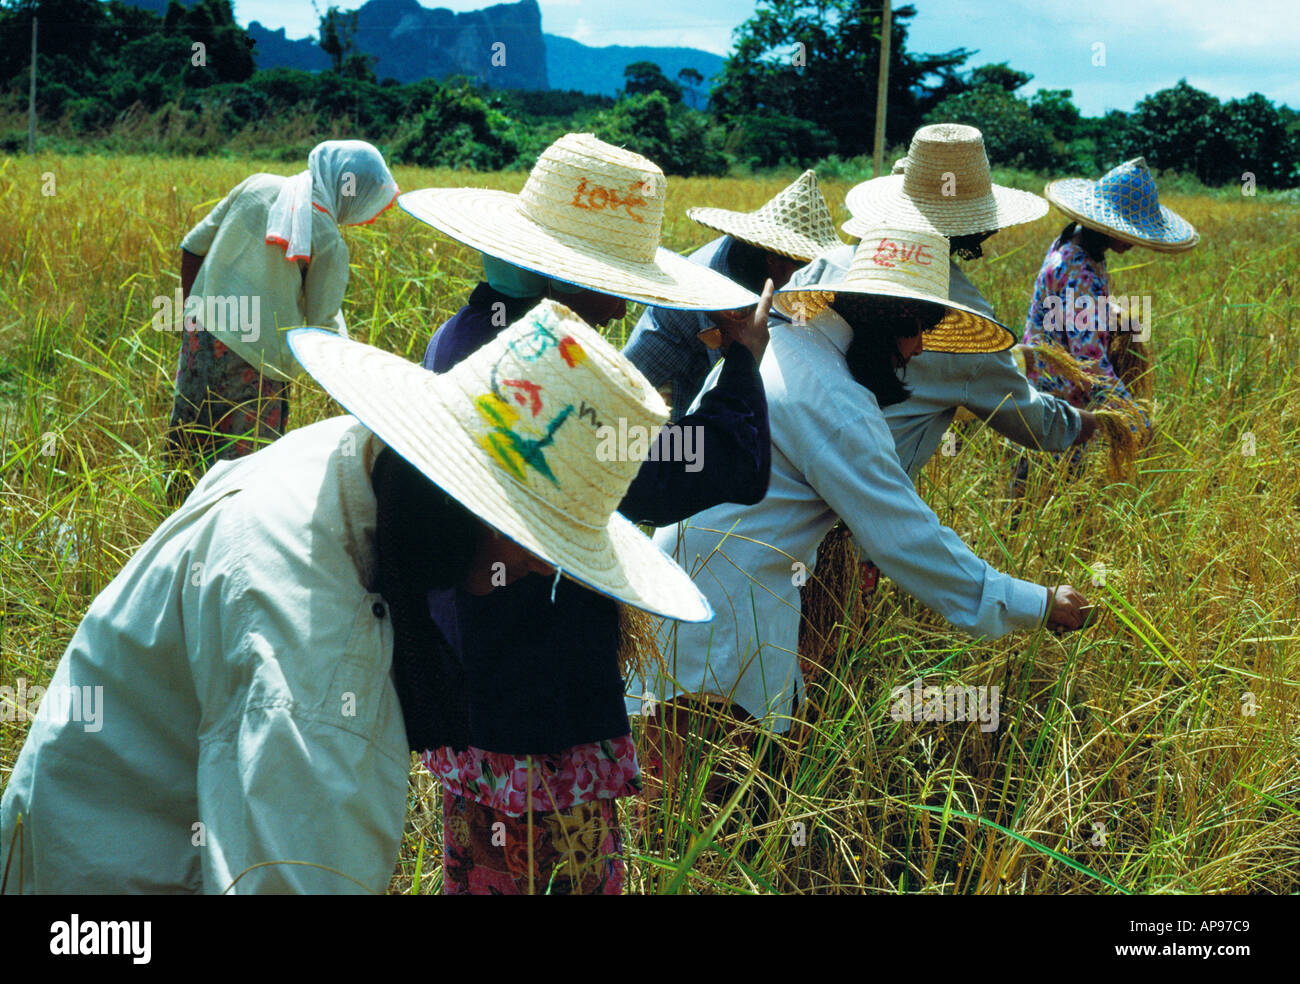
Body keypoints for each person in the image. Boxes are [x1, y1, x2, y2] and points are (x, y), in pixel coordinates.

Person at [0, 303, 712, 895]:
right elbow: (295, 879)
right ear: (473, 505)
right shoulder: (311, 645)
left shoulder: (351, 464)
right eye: (539, 542)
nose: (537, 569)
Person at [397, 132, 773, 894]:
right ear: (567, 275)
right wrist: (743, 363)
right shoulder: (550, 364)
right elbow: (683, 470)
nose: (633, 296)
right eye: (620, 276)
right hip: (533, 695)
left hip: (473, 678)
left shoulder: (473, 332)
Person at [628, 223, 1091, 741]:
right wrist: (1038, 602)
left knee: (679, 797)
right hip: (724, 626)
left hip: (681, 605)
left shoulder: (780, 348)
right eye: (914, 330)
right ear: (878, 321)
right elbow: (908, 540)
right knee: (724, 799)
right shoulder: (836, 401)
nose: (915, 351)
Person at [166, 140, 398, 490]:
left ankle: (170, 525)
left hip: (202, 338)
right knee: (243, 474)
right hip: (257, 367)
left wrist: (190, 315)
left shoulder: (256, 185)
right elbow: (322, 329)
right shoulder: (327, 239)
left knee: (187, 446)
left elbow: (192, 246)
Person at [1020, 157, 1198, 470]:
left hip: (1046, 389)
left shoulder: (1076, 242)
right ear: (1108, 225)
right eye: (1129, 231)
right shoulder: (1080, 272)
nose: (1134, 240)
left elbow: (1076, 307)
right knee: (1050, 492)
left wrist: (1116, 313)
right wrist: (1135, 420)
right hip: (1057, 404)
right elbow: (1089, 366)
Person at [622, 169, 845, 418]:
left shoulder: (761, 270)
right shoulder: (715, 282)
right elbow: (736, 369)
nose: (807, 279)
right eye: (803, 268)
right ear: (775, 261)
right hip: (664, 360)